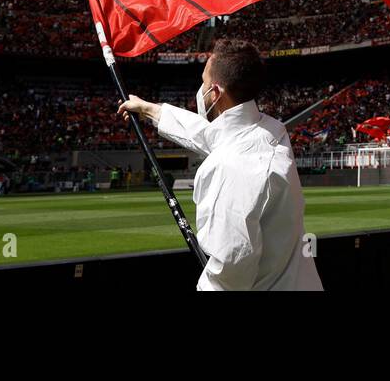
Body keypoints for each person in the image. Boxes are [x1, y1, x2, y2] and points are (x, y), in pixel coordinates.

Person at [119, 38, 323, 291]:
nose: (200, 88)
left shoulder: (230, 167)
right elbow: (213, 136)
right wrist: (149, 110)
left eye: (203, 82)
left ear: (215, 92)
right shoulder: (271, 130)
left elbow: (230, 270)